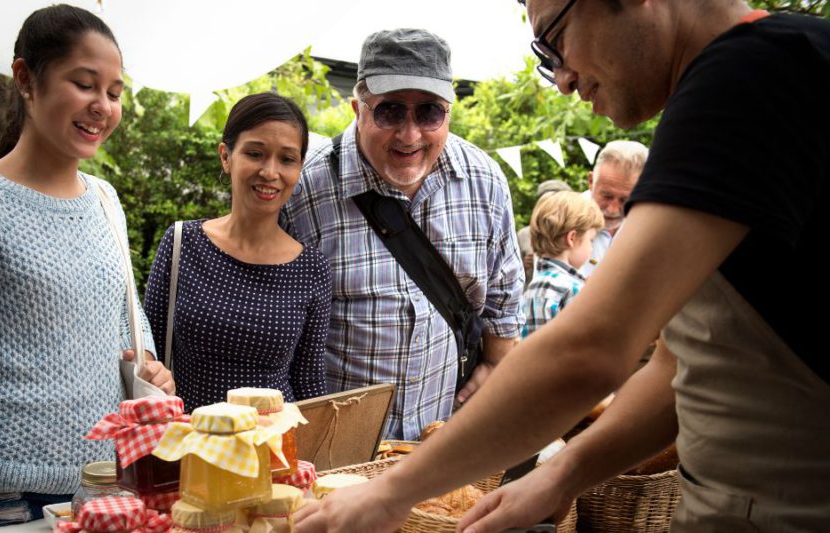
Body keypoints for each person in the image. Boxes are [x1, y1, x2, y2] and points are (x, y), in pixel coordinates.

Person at [294, 2, 830, 532]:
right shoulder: (764, 70)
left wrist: (392, 493)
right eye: (544, 55)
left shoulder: (746, 78)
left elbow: (590, 348)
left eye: (555, 39)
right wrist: (561, 476)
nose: (563, 79)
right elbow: (680, 366)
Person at [0, 6, 173, 531]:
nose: (102, 106)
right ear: (25, 78)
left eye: (115, 92)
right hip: (7, 499)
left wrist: (147, 361)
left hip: (110, 486)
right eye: (84, 84)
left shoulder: (106, 199)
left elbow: (124, 313)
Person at [282, 28, 524, 441]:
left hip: (442, 444)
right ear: (358, 109)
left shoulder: (484, 182)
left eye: (428, 113)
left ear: (449, 113)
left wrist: (494, 367)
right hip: (335, 453)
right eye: (390, 111)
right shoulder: (304, 189)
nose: (410, 135)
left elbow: (504, 298)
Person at [143, 93, 332, 411]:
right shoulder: (181, 243)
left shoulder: (312, 268)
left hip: (272, 451)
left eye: (287, 159)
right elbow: (150, 357)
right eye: (255, 153)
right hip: (190, 445)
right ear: (226, 156)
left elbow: (309, 385)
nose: (270, 172)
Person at [521, 191, 602, 337]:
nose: (591, 249)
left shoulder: (534, 286)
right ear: (572, 238)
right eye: (591, 240)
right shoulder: (574, 290)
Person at [579, 140, 647, 276]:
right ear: (591, 181)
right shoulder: (562, 220)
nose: (612, 210)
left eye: (625, 200)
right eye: (606, 196)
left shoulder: (652, 226)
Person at [515, 179, 572, 288]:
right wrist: (523, 265)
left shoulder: (573, 234)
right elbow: (509, 271)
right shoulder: (524, 234)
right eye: (547, 202)